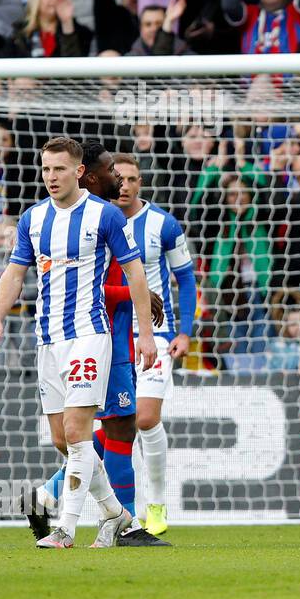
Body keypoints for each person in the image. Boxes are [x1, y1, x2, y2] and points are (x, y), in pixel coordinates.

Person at [0, 136, 159, 550]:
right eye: (45, 169)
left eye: (59, 169)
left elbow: (135, 273)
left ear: (79, 171)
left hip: (88, 335)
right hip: (47, 339)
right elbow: (14, 273)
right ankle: (117, 515)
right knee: (64, 440)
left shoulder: (104, 215)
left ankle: (65, 528)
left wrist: (145, 335)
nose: (51, 177)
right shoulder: (33, 219)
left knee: (79, 431)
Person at [28, 142, 169, 547]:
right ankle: (117, 523)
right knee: (102, 430)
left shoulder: (114, 219)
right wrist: (133, 303)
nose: (120, 181)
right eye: (113, 172)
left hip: (113, 336)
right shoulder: (89, 222)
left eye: (128, 176)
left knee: (101, 432)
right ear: (88, 175)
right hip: (97, 339)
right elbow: (89, 290)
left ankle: (54, 497)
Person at [112, 154, 197, 538]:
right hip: (110, 334)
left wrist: (186, 331)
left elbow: (186, 279)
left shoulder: (163, 223)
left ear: (141, 183)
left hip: (157, 335)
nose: (125, 186)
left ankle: (157, 504)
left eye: (131, 179)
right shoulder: (98, 222)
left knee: (145, 417)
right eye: (119, 180)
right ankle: (117, 510)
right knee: (117, 425)